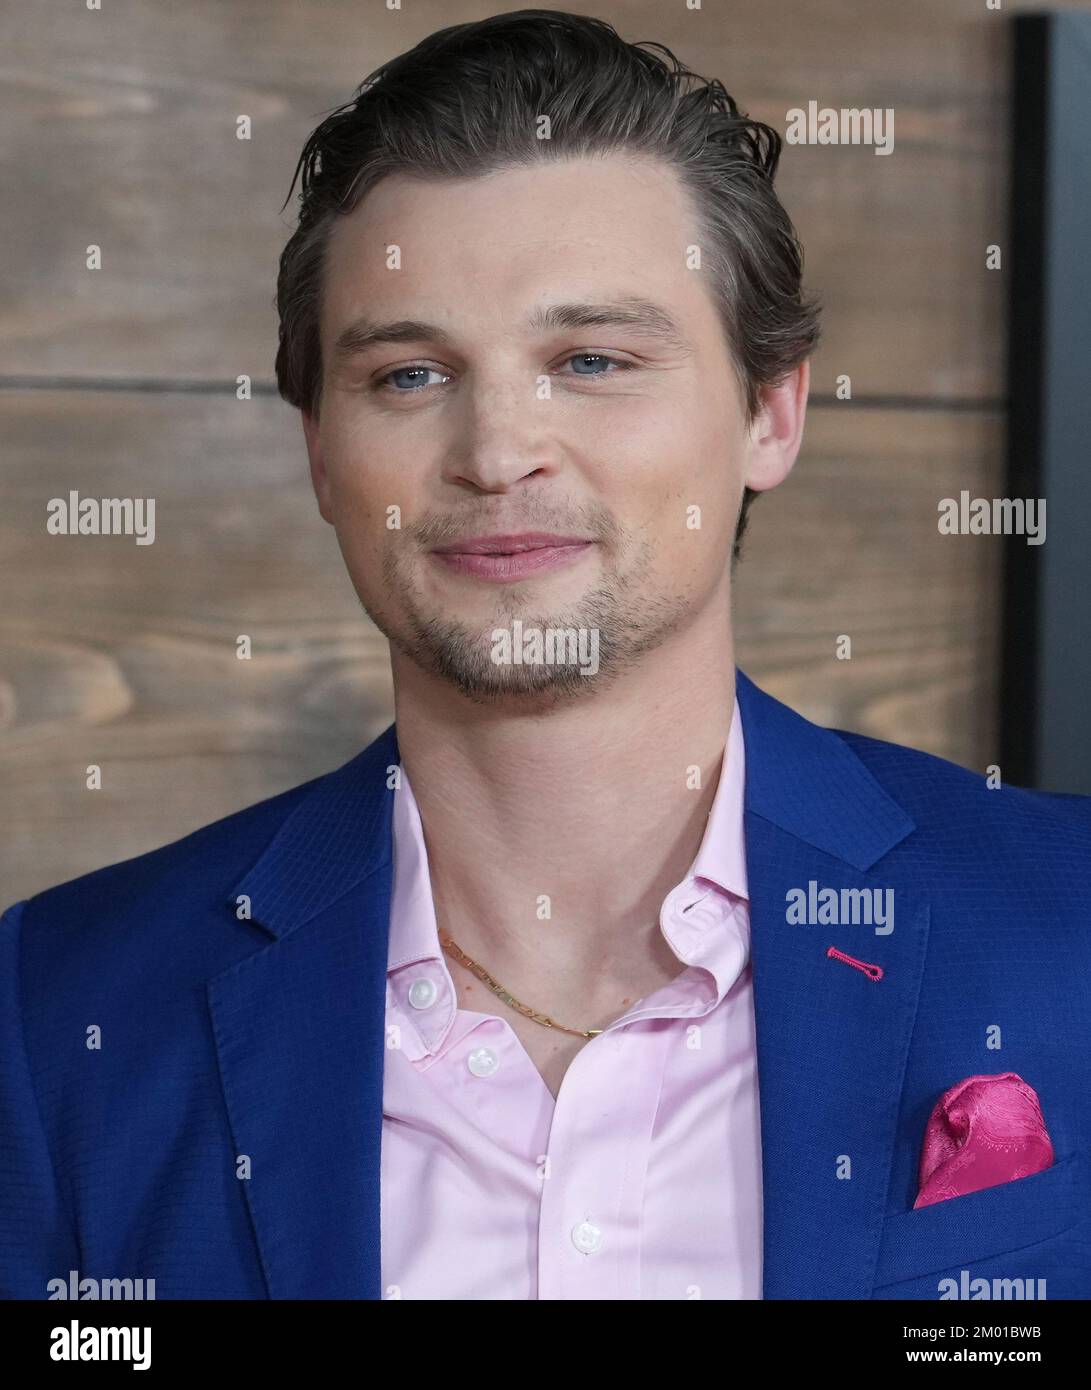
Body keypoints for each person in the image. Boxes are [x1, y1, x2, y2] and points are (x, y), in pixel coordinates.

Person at [2, 9, 1089, 1302]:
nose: (498, 448)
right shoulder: (61, 1010)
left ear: (770, 412)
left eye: (592, 359)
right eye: (409, 374)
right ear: (318, 453)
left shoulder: (1067, 920)